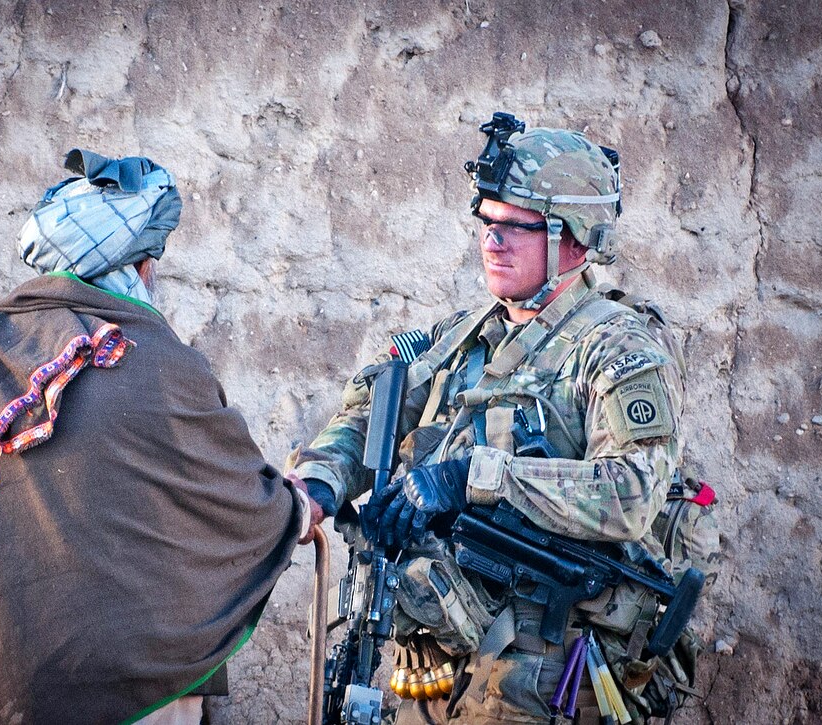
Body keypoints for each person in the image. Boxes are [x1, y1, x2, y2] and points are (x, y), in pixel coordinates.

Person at [0, 149, 320, 725]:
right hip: (137, 695)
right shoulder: (160, 365)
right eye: (153, 258)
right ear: (139, 268)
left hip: (5, 691)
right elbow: (238, 507)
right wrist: (297, 508)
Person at [287, 114, 688, 724]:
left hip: (542, 676)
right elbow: (376, 414)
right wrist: (318, 486)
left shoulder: (617, 352)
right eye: (486, 224)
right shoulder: (464, 336)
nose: (491, 242)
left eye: (514, 227)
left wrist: (474, 477)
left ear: (575, 241)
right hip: (434, 657)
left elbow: (631, 494)